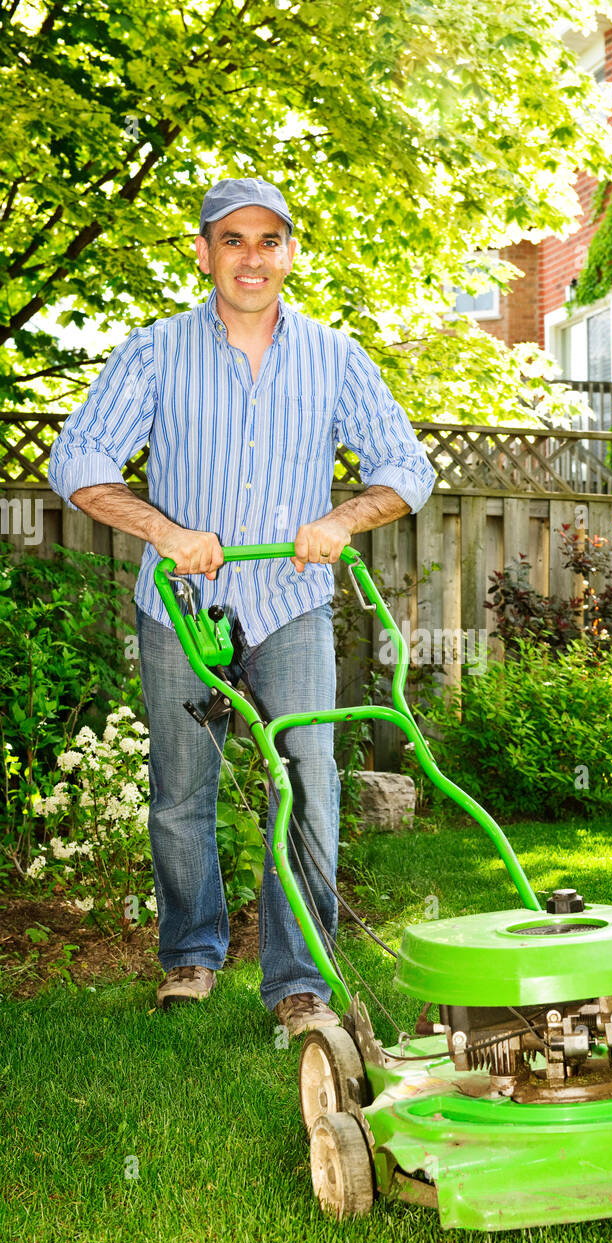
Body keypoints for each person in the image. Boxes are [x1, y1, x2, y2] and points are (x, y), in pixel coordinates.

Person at [48, 176, 435, 1035]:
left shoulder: (335, 357)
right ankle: (191, 951)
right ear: (204, 251)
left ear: (291, 253)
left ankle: (298, 981)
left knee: (307, 784)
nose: (251, 257)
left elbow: (407, 469)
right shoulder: (153, 353)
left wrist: (341, 518)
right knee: (182, 791)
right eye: (233, 239)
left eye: (269, 240)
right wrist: (166, 529)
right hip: (182, 605)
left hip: (290, 601)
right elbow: (76, 462)